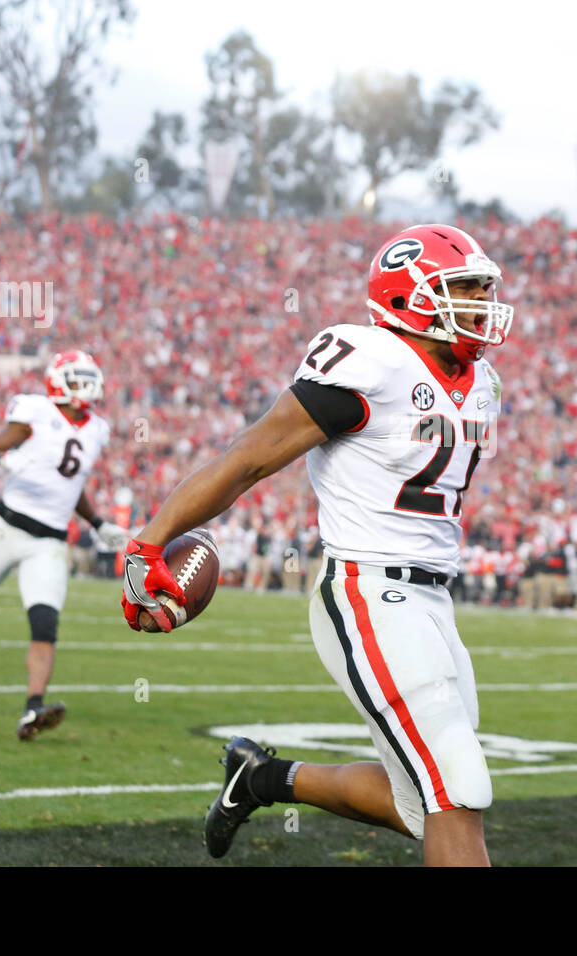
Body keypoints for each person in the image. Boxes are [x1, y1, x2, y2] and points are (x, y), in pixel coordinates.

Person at [121, 224, 512, 867]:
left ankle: (261, 779)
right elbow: (249, 458)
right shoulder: (369, 359)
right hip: (369, 592)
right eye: (462, 288)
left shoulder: (483, 381)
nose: (478, 302)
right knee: (458, 789)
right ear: (409, 297)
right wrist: (150, 542)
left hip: (435, 602)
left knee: (422, 805)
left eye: (481, 288)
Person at [0, 351, 128, 739]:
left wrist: (99, 522)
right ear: (57, 381)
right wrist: (0, 461)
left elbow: (71, 484)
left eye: (89, 377)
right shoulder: (36, 412)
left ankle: (32, 708)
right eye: (77, 377)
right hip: (7, 531)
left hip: (49, 542)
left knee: (45, 623)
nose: (86, 385)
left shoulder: (97, 429)